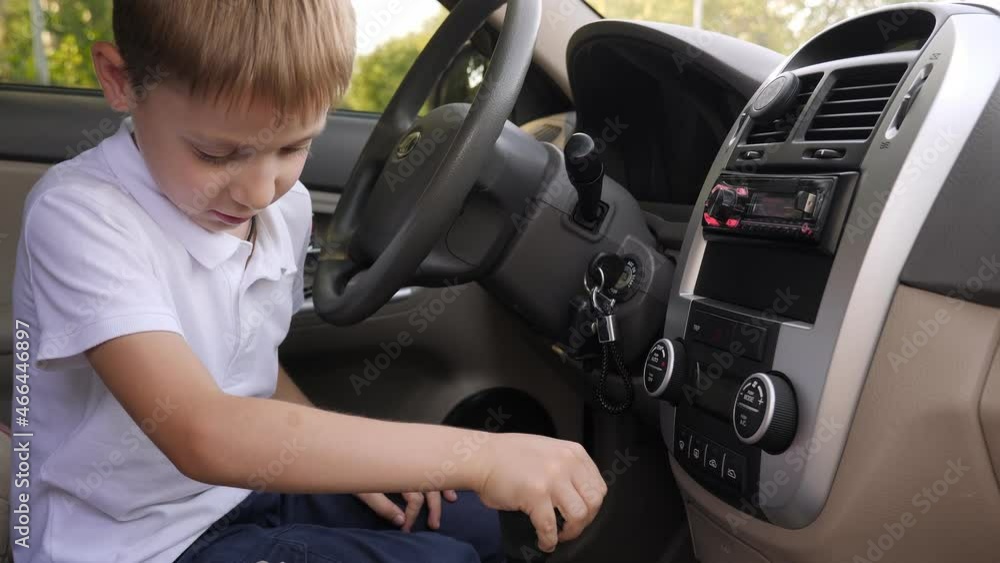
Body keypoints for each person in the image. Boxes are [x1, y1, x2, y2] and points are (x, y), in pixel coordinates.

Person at [9, 1, 607, 562]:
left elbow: (250, 372)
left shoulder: (283, 209)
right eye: (217, 154)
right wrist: (477, 454)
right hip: (137, 544)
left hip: (242, 495)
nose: (258, 190)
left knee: (479, 523)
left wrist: (371, 465)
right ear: (119, 80)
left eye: (294, 145)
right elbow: (203, 430)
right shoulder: (82, 217)